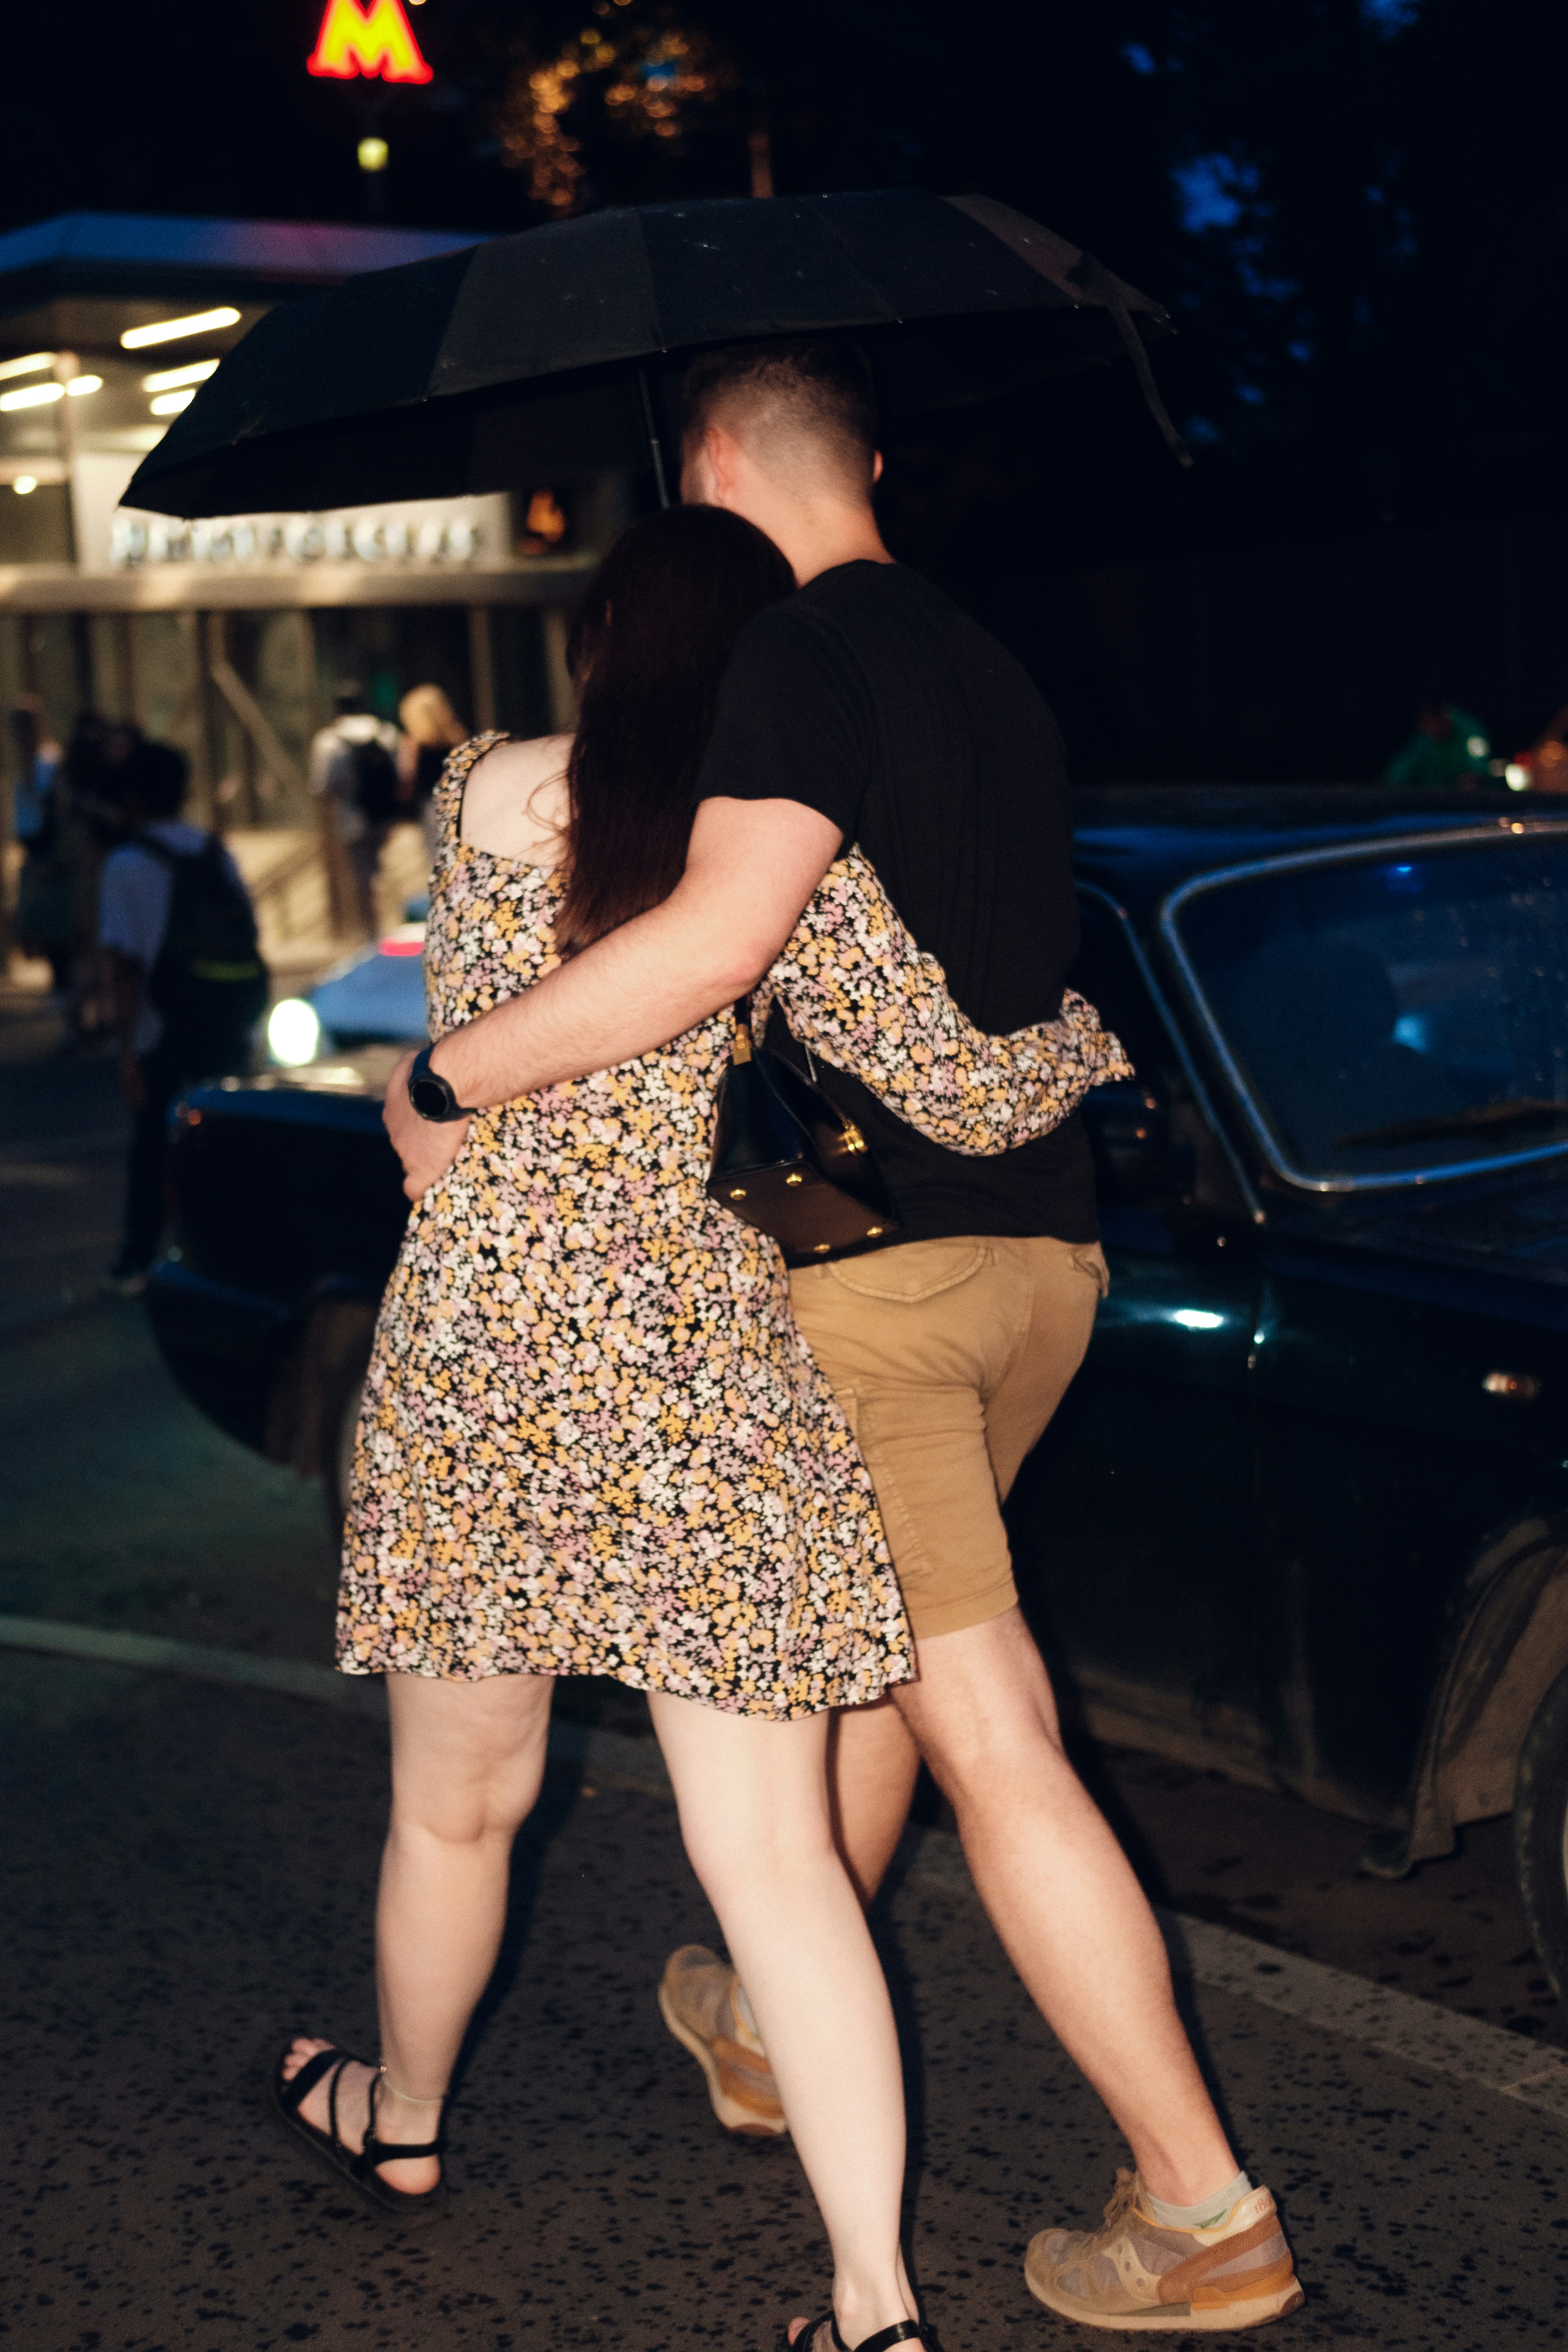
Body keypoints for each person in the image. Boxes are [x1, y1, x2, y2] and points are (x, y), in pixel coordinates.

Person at [382, 339, 1303, 2335]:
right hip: (1043, 1272)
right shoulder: (982, 660)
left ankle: (1197, 2195)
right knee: (858, 1680)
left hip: (878, 1282)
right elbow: (999, 983)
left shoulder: (788, 662)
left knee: (989, 1732)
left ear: (712, 473)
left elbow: (730, 939)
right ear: (865, 457)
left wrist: (443, 1089)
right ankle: (769, 2030)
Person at [275, 505, 1124, 2352]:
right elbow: (958, 1089)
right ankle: (876, 2303)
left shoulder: (484, 787)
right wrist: (1087, 1040)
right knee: (777, 1861)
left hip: (487, 1349)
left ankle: (400, 2120)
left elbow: (464, 1020)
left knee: (456, 1809)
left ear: (599, 639)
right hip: (696, 1353)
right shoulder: (786, 866)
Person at [100, 741, 266, 1297]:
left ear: (131, 796)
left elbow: (123, 966)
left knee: (152, 1143)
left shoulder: (124, 864)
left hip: (162, 1026)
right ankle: (228, 1252)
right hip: (224, 1018)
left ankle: (137, 1258)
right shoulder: (215, 852)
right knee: (225, 1142)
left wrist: (126, 1050)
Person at [309, 682, 404, 935]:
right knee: (378, 869)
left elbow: (322, 786)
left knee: (362, 875)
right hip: (385, 814)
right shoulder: (387, 733)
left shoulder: (329, 741)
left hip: (352, 816)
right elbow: (400, 775)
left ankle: (371, 932)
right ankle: (389, 924)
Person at [9, 695, 73, 995]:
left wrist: (55, 852)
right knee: (40, 921)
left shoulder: (48, 763)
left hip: (50, 850)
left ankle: (64, 984)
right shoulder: (27, 764)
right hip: (34, 850)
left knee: (56, 920)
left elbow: (55, 812)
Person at [397, 682, 469, 864]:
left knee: (436, 858)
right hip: (459, 802)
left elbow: (406, 777)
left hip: (430, 804)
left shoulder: (413, 744)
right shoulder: (458, 738)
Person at [1383, 698, 1491, 790]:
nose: (1431, 728)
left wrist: (1474, 776)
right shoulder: (1423, 738)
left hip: (1472, 800)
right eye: (1425, 724)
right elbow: (1402, 769)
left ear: (1444, 716)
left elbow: (1480, 766)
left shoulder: (1472, 732)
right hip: (1436, 800)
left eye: (1432, 722)